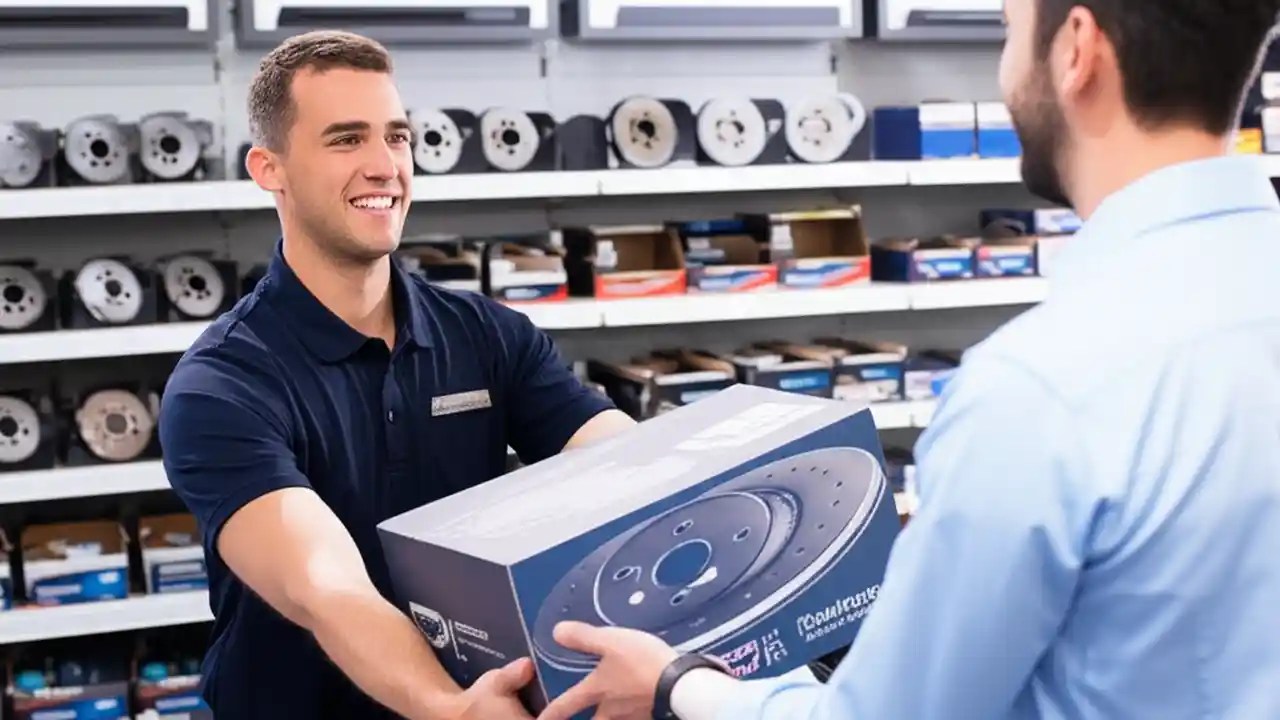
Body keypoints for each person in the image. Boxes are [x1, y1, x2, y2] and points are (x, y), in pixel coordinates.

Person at [536, 1, 1280, 719]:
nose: (1004, 67)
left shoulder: (1042, 390)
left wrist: (679, 684)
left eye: (1008, 29)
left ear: (1076, 49)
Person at [157, 30, 636, 720]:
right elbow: (329, 588)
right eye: (347, 140)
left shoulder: (490, 337)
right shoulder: (222, 387)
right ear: (270, 168)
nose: (385, 166)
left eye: (397, 137)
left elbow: (625, 466)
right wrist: (454, 709)